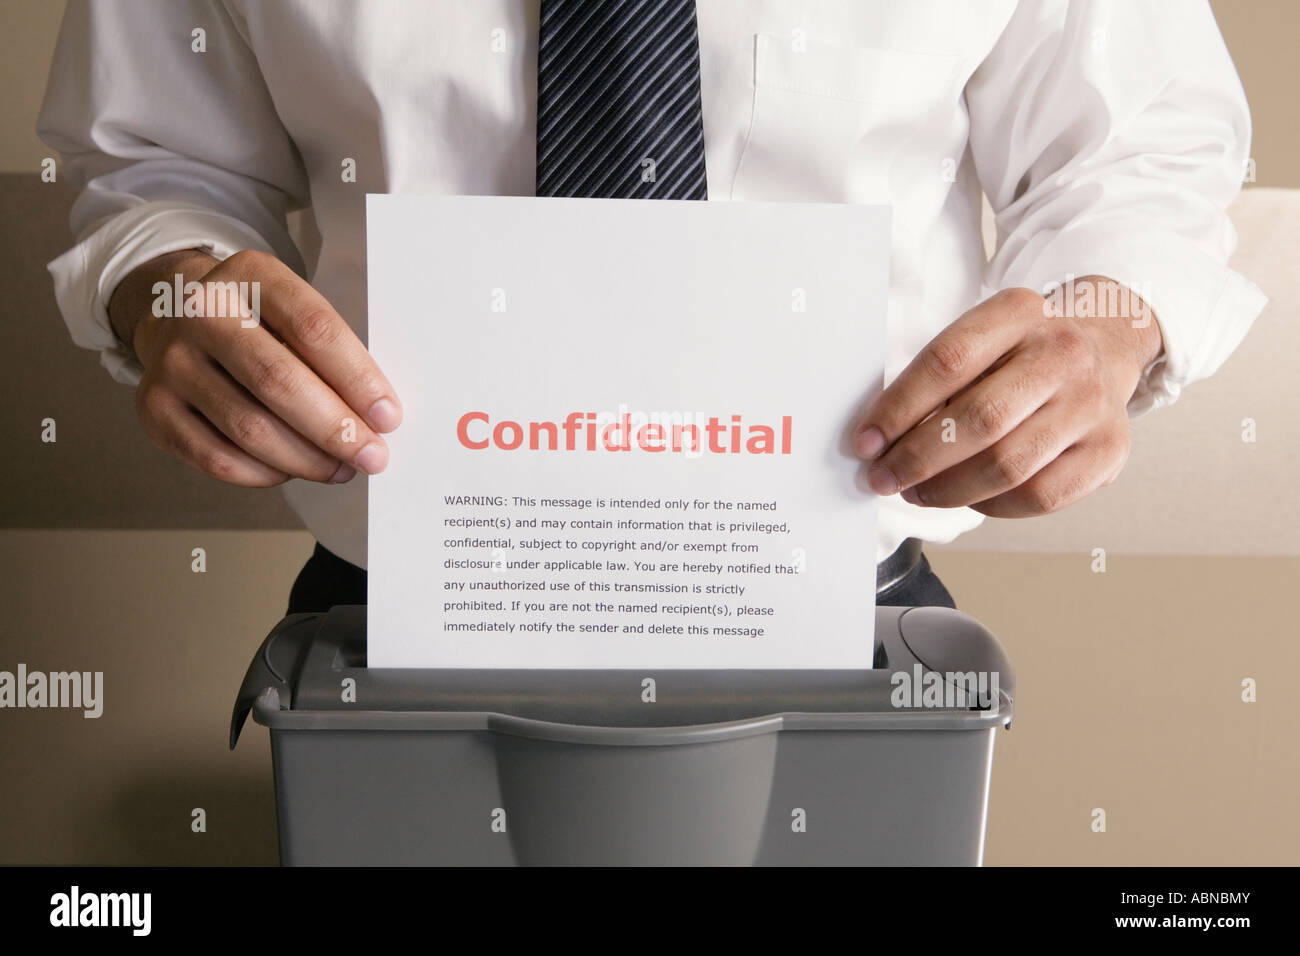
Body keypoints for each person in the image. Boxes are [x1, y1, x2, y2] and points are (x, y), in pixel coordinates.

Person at [38, 0, 1266, 613]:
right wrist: (172, 290)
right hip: (397, 609)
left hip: (851, 600)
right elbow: (159, 167)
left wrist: (1102, 324)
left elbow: (1137, 149)